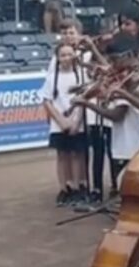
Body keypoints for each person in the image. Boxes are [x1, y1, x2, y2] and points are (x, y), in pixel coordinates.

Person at [41, 41, 97, 211]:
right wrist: (60, 121)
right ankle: (65, 188)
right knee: (62, 155)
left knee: (77, 155)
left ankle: (79, 185)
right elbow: (47, 101)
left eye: (69, 54)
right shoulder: (52, 78)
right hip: (59, 124)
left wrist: (76, 121)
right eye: (63, 55)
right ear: (57, 58)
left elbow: (84, 99)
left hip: (77, 122)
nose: (67, 58)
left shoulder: (81, 76)